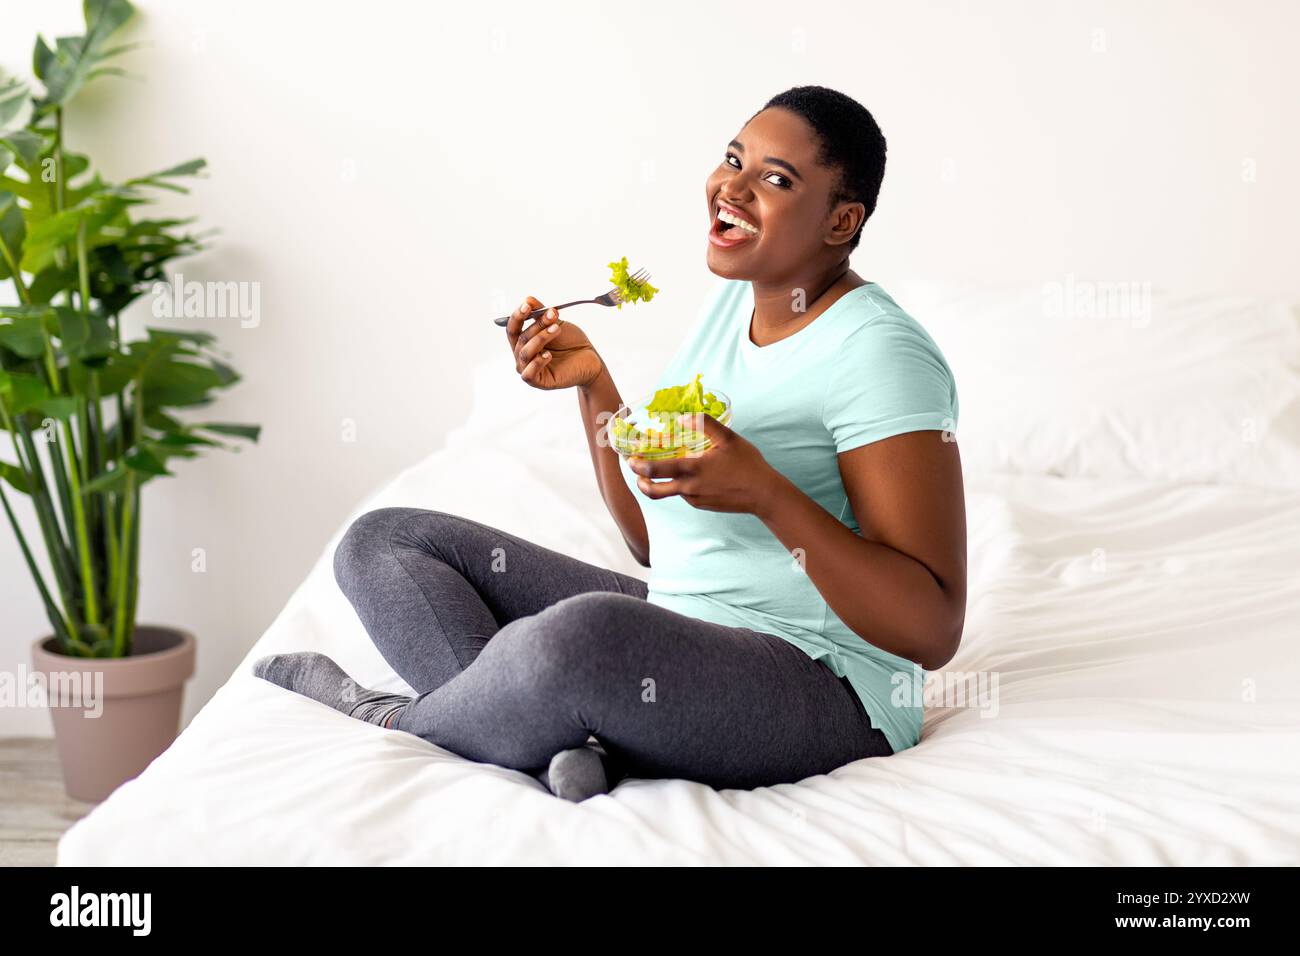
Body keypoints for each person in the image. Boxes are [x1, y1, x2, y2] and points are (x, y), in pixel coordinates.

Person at [254, 85, 966, 802]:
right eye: (733, 160)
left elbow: (931, 627)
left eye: (776, 180)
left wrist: (765, 492)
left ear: (842, 220)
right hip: (683, 624)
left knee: (581, 640)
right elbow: (655, 547)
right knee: (385, 542)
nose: (733, 188)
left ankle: (397, 716)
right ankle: (547, 743)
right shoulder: (732, 304)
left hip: (824, 683)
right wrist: (594, 386)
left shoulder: (880, 353)